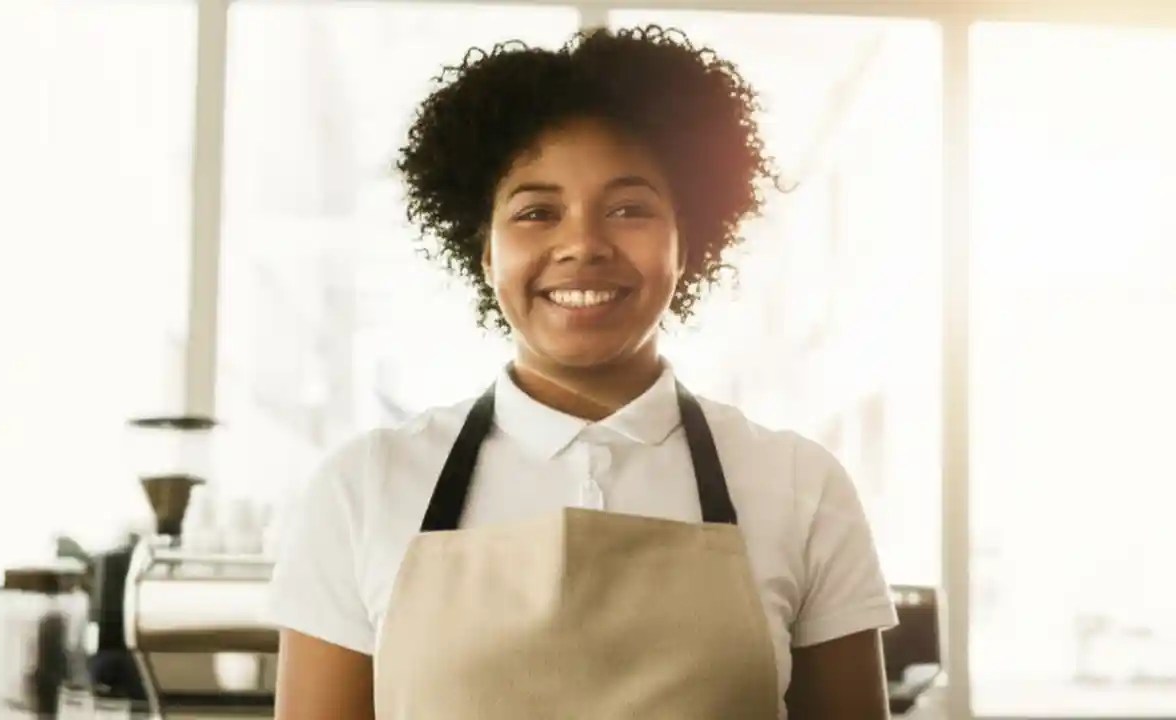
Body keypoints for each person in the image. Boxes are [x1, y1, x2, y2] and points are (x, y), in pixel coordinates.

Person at [270, 25, 897, 720]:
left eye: (629, 209)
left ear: (686, 245)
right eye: (537, 212)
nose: (583, 245)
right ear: (485, 256)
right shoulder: (363, 488)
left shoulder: (801, 486)